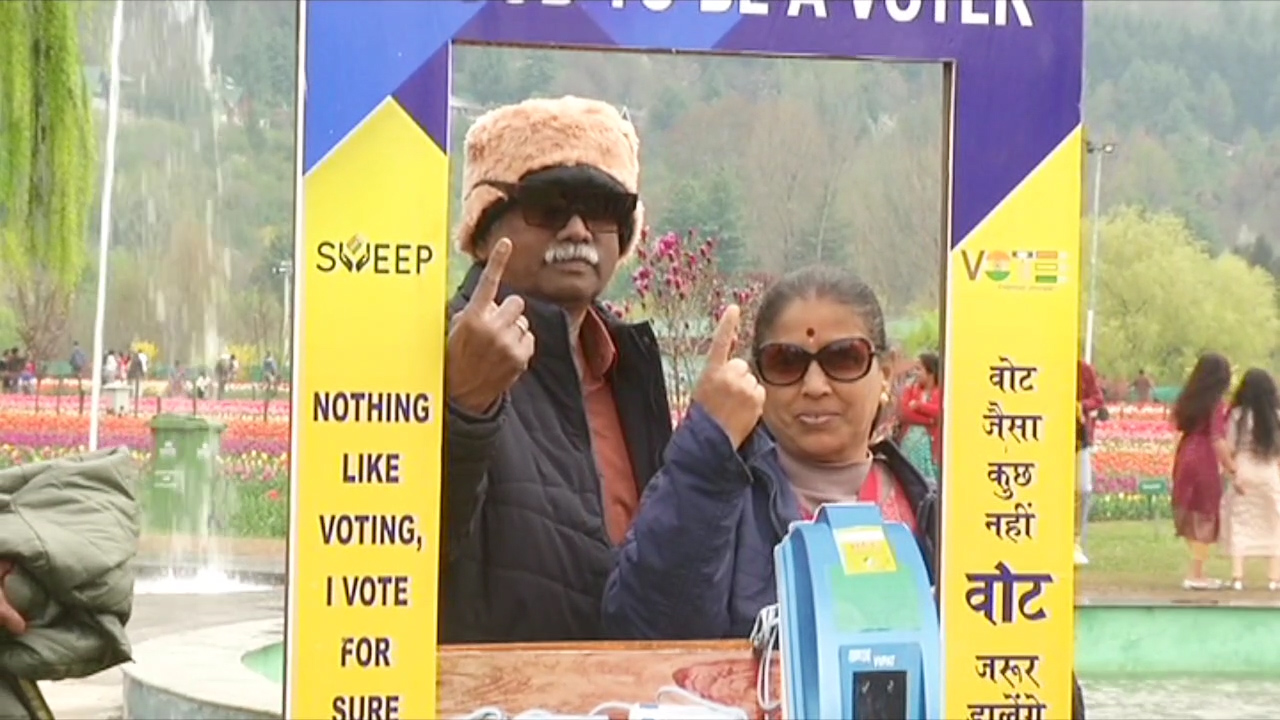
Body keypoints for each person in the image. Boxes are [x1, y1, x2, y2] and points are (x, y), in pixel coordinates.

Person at [602, 266, 1086, 718]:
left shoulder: (942, 520)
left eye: (844, 358)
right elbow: (645, 637)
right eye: (786, 362)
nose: (815, 385)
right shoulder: (713, 498)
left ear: (886, 371)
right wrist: (709, 447)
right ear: (758, 375)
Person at [441, 96, 671, 643]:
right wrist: (461, 408)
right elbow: (398, 546)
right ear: (485, 226)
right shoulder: (438, 346)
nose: (576, 230)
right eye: (548, 206)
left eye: (601, 209)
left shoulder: (630, 363)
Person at [1171, 352, 1234, 590]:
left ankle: (1197, 570)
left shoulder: (1188, 399)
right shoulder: (1215, 403)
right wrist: (1231, 466)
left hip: (1185, 453)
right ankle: (1196, 573)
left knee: (1190, 510)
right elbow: (1217, 438)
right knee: (1205, 513)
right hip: (1204, 459)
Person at [1221, 368, 1280, 591]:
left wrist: (1232, 473)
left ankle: (1238, 577)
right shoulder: (1276, 416)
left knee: (1241, 521)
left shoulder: (1237, 415)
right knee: (1273, 522)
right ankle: (1274, 578)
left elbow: (1230, 446)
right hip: (1268, 471)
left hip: (1244, 469)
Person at [1076, 358, 1105, 566]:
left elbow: (1097, 398)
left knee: (1082, 489)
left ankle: (1075, 541)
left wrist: (1081, 406)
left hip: (1078, 439)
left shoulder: (1083, 369)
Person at [897, 351, 941, 481]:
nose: (915, 373)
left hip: (932, 451)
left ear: (930, 372)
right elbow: (903, 413)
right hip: (908, 447)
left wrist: (918, 406)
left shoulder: (941, 392)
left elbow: (940, 413)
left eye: (919, 369)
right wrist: (929, 419)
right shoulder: (911, 390)